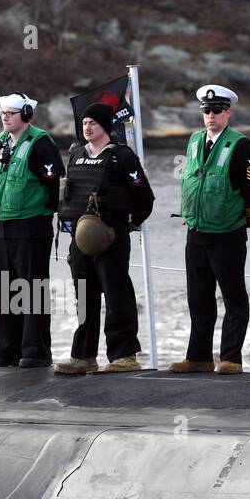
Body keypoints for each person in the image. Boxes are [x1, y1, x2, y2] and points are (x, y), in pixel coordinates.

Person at [54, 103, 154, 374]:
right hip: (79, 238)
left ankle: (124, 355)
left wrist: (128, 224)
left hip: (111, 236)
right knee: (84, 297)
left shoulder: (122, 157)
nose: (87, 127)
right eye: (85, 123)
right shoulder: (76, 154)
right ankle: (83, 355)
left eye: (93, 123)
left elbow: (144, 197)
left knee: (116, 293)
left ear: (105, 126)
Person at [170, 84, 250, 375]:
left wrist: (248, 224)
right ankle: (198, 356)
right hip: (196, 231)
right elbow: (190, 181)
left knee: (233, 297)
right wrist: (189, 211)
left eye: (217, 110)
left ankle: (230, 357)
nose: (211, 115)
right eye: (206, 110)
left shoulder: (240, 144)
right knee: (198, 297)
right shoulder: (195, 140)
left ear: (228, 113)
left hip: (227, 233)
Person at [0, 92, 65, 368]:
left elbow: (55, 184)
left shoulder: (40, 144)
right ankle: (6, 348)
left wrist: (46, 214)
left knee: (32, 289)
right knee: (3, 288)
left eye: (11, 113)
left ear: (26, 115)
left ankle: (36, 350)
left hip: (30, 225)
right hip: (0, 225)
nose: (5, 117)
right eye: (3, 112)